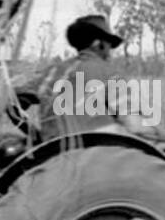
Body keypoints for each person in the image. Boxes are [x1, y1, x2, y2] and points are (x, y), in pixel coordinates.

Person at [14, 13, 149, 140]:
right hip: (98, 156)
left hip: (53, 156)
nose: (109, 50)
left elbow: (12, 105)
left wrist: (37, 138)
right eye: (108, 44)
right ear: (98, 43)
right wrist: (162, 136)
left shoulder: (52, 72)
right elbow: (135, 126)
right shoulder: (109, 74)